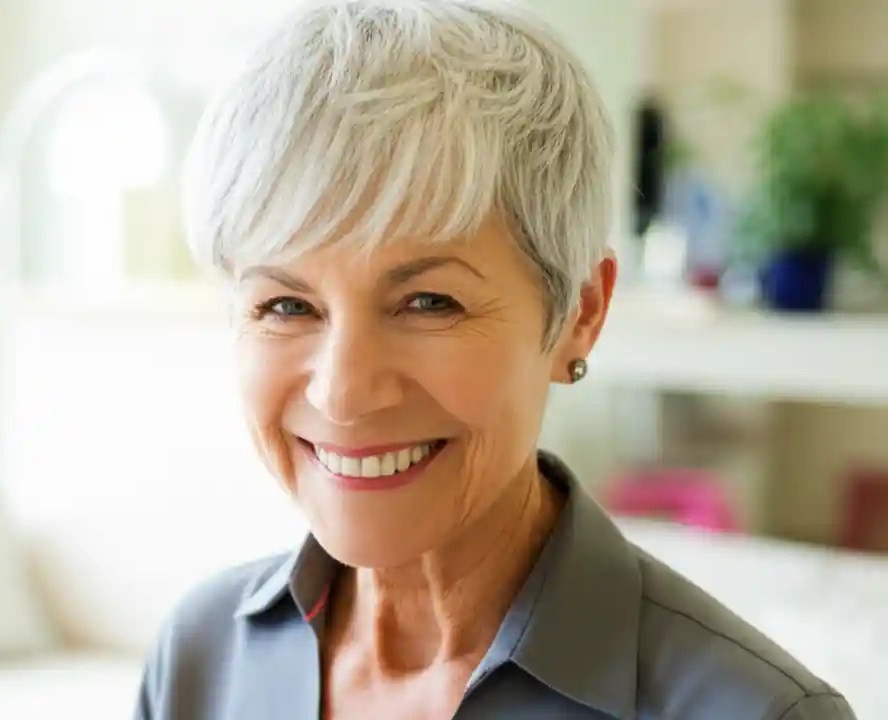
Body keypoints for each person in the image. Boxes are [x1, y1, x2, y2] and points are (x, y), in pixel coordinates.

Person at [134, 1, 854, 717]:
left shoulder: (758, 713)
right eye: (286, 306)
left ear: (579, 315)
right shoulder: (200, 659)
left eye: (428, 303)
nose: (343, 393)